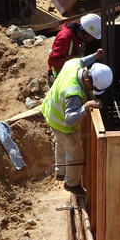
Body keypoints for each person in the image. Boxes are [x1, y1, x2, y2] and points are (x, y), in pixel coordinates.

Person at [40, 58, 113, 198]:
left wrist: (95, 55)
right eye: (94, 88)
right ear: (87, 81)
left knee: (61, 144)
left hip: (50, 112)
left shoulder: (73, 65)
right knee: (76, 154)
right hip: (62, 125)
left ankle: (60, 172)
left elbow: (83, 60)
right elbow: (70, 120)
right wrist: (86, 106)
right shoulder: (75, 94)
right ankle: (71, 184)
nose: (93, 91)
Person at [47, 13, 103, 86]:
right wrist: (72, 59)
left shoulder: (77, 35)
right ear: (86, 33)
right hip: (58, 78)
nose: (94, 39)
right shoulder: (64, 38)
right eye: (93, 37)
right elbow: (52, 61)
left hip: (67, 73)